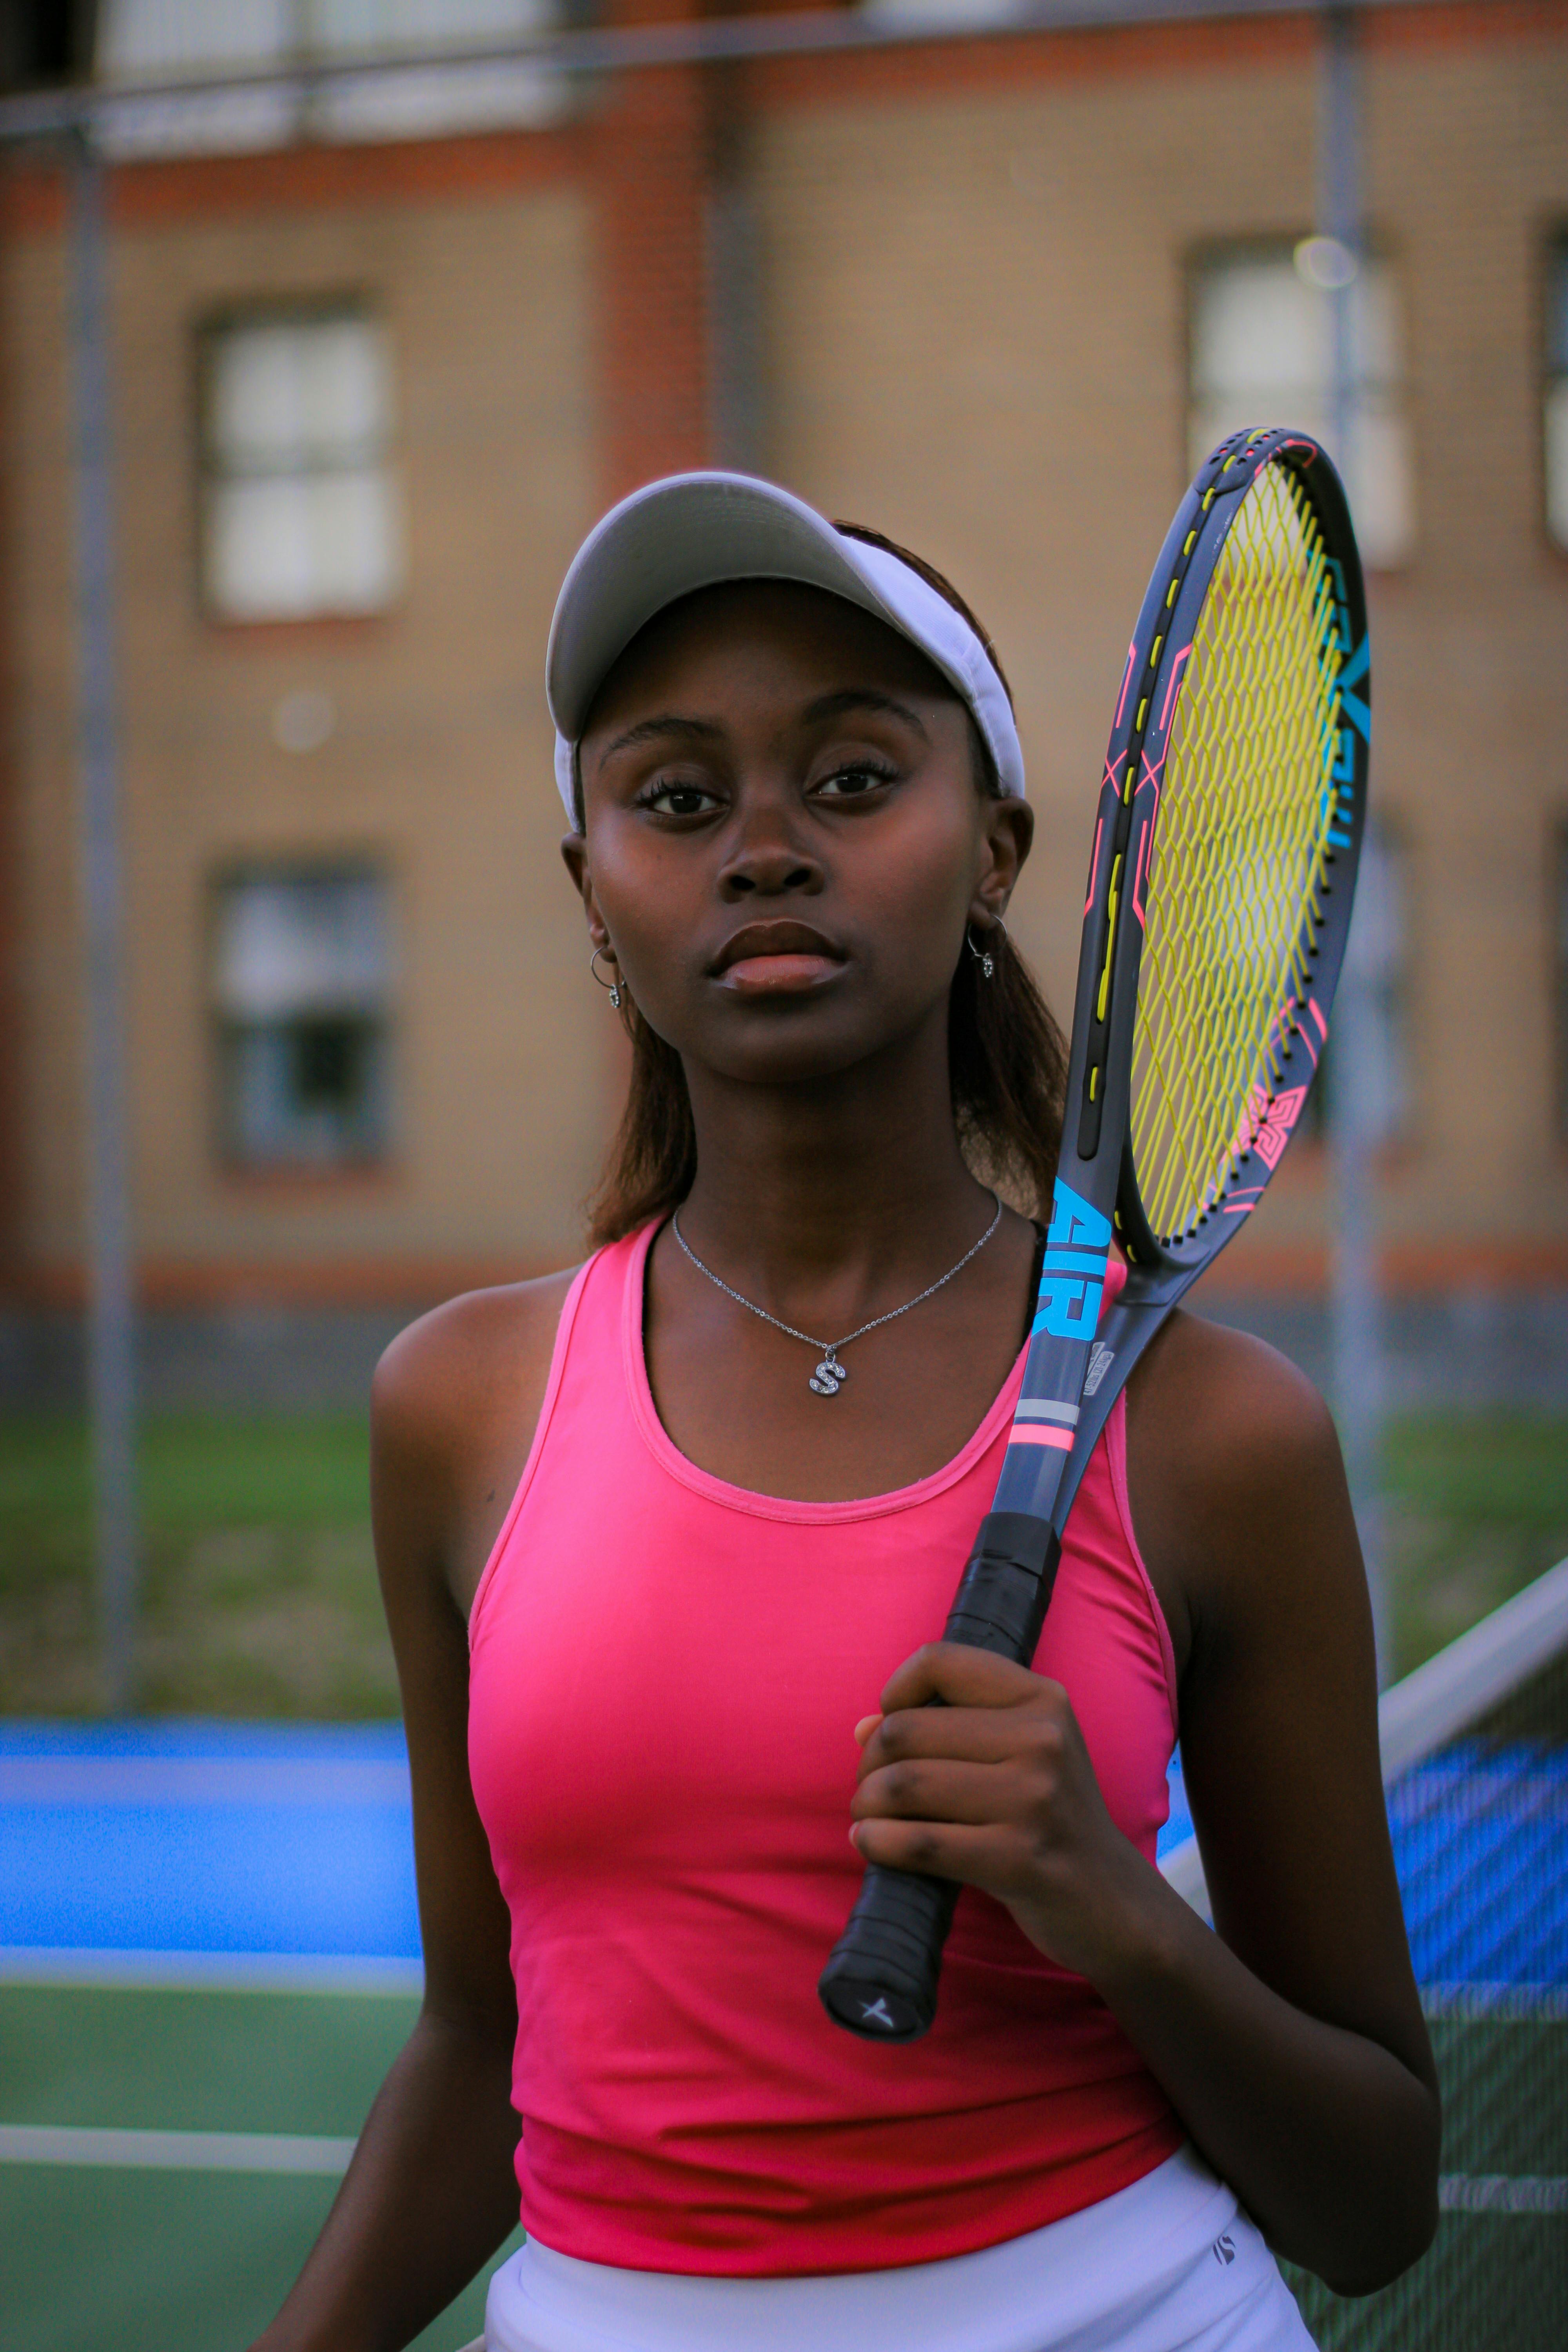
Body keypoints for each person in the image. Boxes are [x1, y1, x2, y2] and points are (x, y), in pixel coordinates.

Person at [252, 474, 1439, 2352]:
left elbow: (1375, 2205)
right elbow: (483, 2047)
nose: (764, 848)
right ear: (592, 891)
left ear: (995, 850)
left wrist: (1115, 1912)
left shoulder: (1218, 1436)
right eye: (674, 797)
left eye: (855, 778)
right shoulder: (459, 1407)